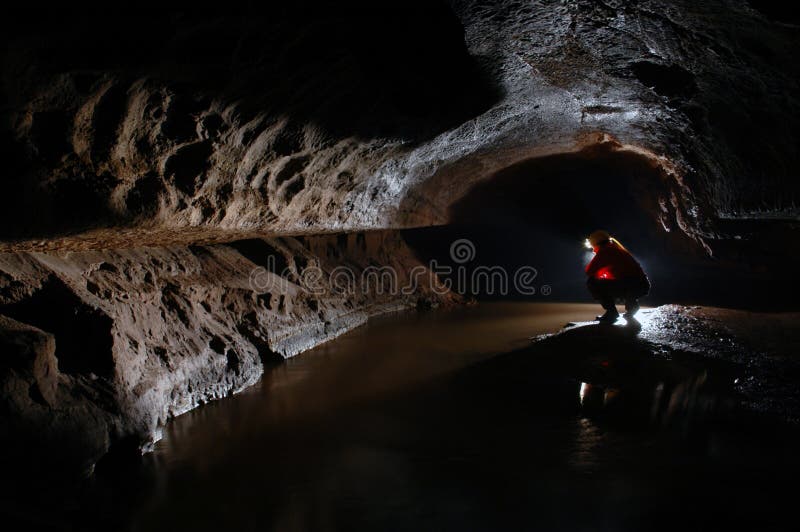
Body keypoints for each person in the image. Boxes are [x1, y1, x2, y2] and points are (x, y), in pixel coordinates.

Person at [584, 230, 650, 323]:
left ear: (595, 243)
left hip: (632, 285)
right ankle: (632, 305)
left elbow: (589, 271)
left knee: (592, 282)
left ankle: (612, 313)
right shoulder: (615, 248)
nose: (592, 248)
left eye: (592, 245)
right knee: (624, 284)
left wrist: (601, 274)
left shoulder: (605, 251)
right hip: (642, 285)